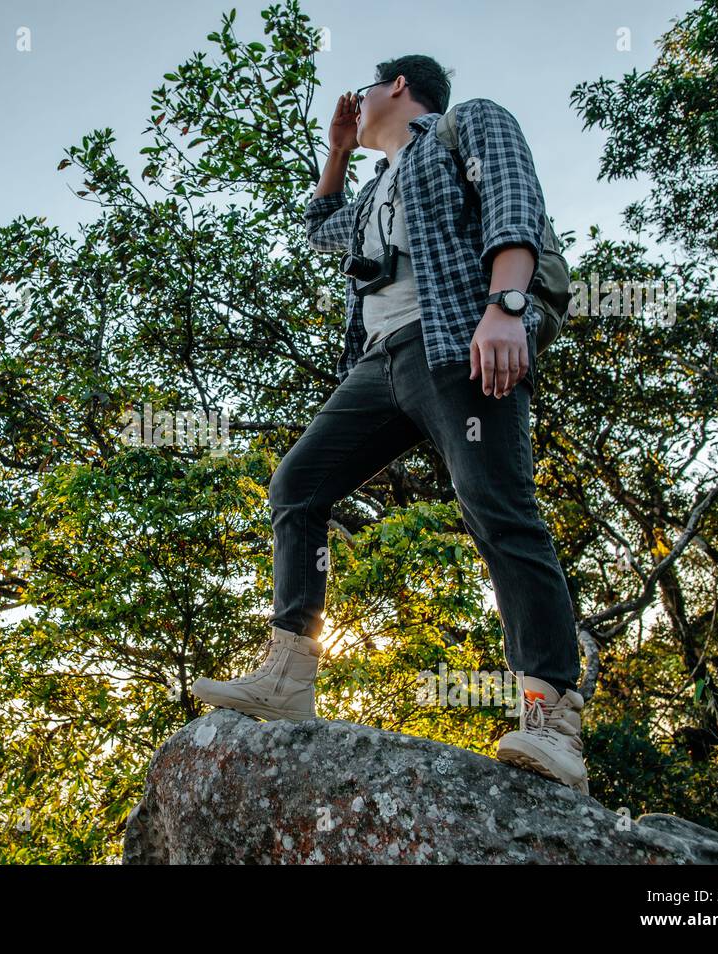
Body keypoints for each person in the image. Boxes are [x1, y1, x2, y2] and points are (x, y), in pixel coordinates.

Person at [191, 54, 588, 795]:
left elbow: (512, 200)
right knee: (298, 486)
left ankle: (553, 720)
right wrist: (338, 151)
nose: (357, 98)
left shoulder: (466, 124)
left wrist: (504, 309)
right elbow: (319, 229)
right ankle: (288, 674)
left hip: (456, 338)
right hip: (379, 365)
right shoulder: (377, 186)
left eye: (367, 88)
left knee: (498, 510)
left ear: (397, 87)